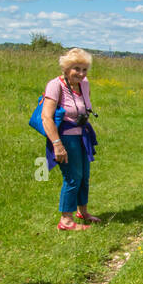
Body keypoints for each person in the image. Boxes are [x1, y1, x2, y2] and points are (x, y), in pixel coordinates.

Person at [41, 48, 100, 230]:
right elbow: (46, 117)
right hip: (65, 138)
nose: (81, 74)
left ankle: (83, 211)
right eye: (76, 69)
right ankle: (66, 220)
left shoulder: (84, 84)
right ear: (66, 69)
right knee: (73, 177)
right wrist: (57, 145)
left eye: (84, 69)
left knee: (84, 176)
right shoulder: (55, 85)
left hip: (82, 135)